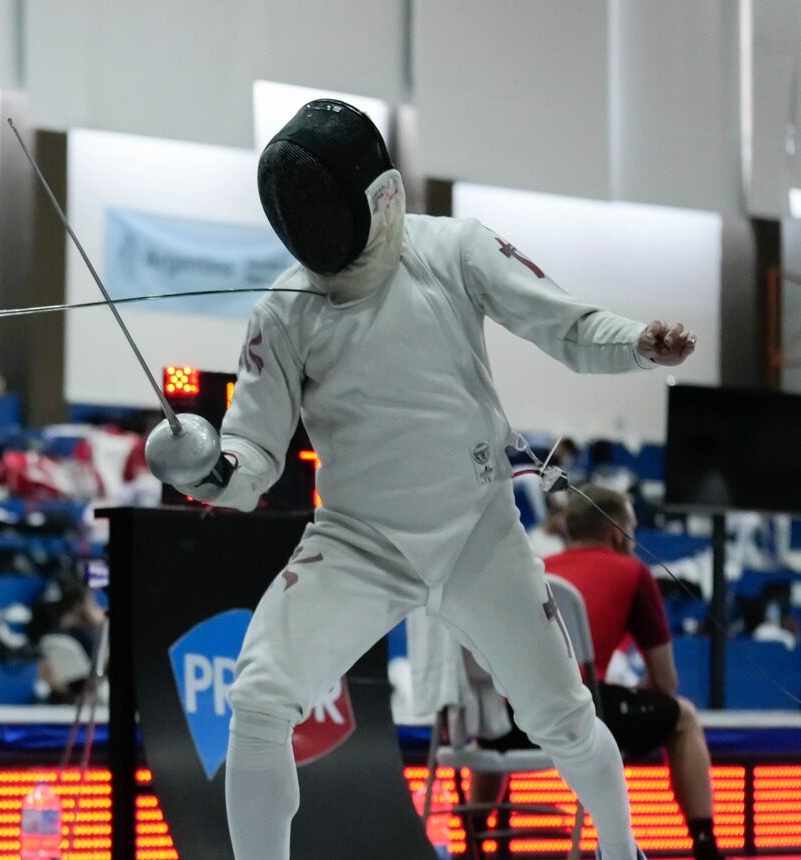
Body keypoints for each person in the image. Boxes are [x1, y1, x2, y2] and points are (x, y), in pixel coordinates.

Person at [147, 100, 696, 860]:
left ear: (379, 197)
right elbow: (253, 453)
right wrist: (212, 470)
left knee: (564, 720)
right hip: (359, 542)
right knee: (260, 699)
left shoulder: (455, 250)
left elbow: (563, 324)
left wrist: (638, 342)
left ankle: (622, 852)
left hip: (479, 534)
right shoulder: (284, 310)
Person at [543, 485, 722, 860]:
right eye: (633, 529)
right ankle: (706, 847)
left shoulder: (537, 569)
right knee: (684, 717)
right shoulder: (633, 572)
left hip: (514, 717)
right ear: (617, 534)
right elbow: (666, 681)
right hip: (585, 714)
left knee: (491, 726)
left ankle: (475, 833)